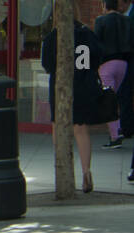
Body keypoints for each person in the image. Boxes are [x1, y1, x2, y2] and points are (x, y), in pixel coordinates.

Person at [41, 18, 109, 193]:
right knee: (81, 128)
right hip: (83, 85)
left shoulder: (53, 36)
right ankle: (86, 171)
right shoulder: (87, 34)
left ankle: (62, 164)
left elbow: (47, 64)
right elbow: (98, 57)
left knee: (58, 125)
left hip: (60, 85)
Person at [92, 0, 131, 148]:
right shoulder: (127, 20)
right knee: (115, 98)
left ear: (105, 5)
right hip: (123, 63)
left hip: (107, 64)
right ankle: (119, 128)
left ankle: (115, 136)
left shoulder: (101, 20)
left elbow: (96, 43)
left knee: (108, 100)